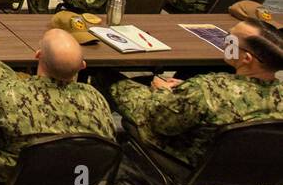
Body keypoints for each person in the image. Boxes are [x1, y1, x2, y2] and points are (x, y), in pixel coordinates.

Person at [0, 28, 116, 184]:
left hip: (10, 174)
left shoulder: (8, 95)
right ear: (82, 66)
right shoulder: (97, 101)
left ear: (38, 55)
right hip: (73, 179)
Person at [111, 19, 283, 166]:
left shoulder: (205, 89)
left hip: (189, 158)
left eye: (230, 40)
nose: (225, 43)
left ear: (247, 58)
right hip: (247, 167)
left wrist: (162, 91)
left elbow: (160, 124)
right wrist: (187, 89)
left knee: (112, 82)